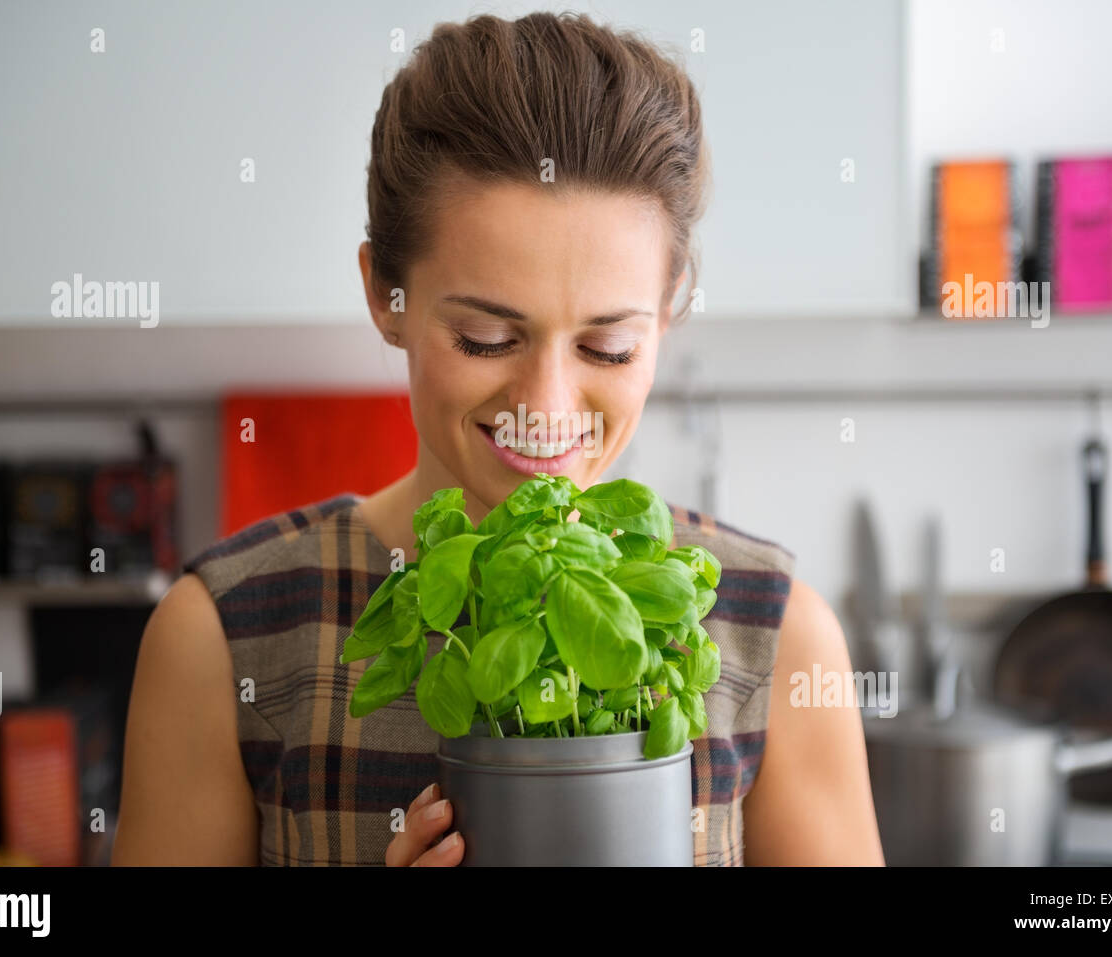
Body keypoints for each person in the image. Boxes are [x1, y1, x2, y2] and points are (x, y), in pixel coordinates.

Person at [111, 10, 884, 867]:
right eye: (486, 338)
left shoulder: (773, 634)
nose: (545, 404)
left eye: (607, 346)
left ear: (667, 314)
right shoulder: (224, 634)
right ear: (385, 296)